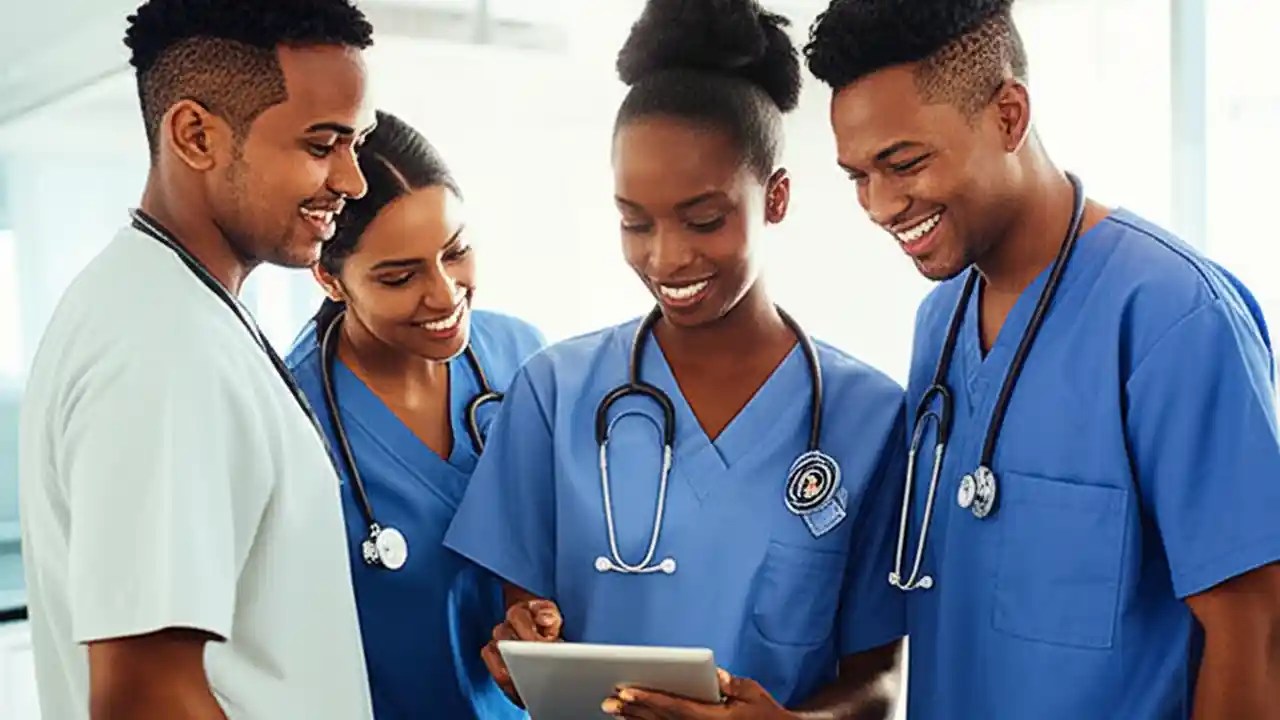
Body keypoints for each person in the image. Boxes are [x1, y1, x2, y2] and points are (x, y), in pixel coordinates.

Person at [803, 1, 1280, 718]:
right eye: (857, 176)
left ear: (1009, 115)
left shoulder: (1173, 319)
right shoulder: (940, 322)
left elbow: (1256, 636)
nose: (879, 204)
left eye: (903, 164)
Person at [443, 1, 907, 717]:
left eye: (704, 219)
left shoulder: (868, 418)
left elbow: (881, 679)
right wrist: (522, 644)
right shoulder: (555, 393)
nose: (665, 257)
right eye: (635, 221)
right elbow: (524, 621)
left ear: (775, 198)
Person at [17, 1, 380, 718]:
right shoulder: (161, 345)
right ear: (195, 135)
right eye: (320, 144)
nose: (353, 180)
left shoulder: (172, 307)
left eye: (356, 143)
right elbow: (145, 696)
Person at [284, 109, 544, 720]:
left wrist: (539, 619)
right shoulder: (291, 415)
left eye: (455, 253)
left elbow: (560, 548)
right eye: (400, 276)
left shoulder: (524, 358)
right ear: (329, 278)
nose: (445, 294)